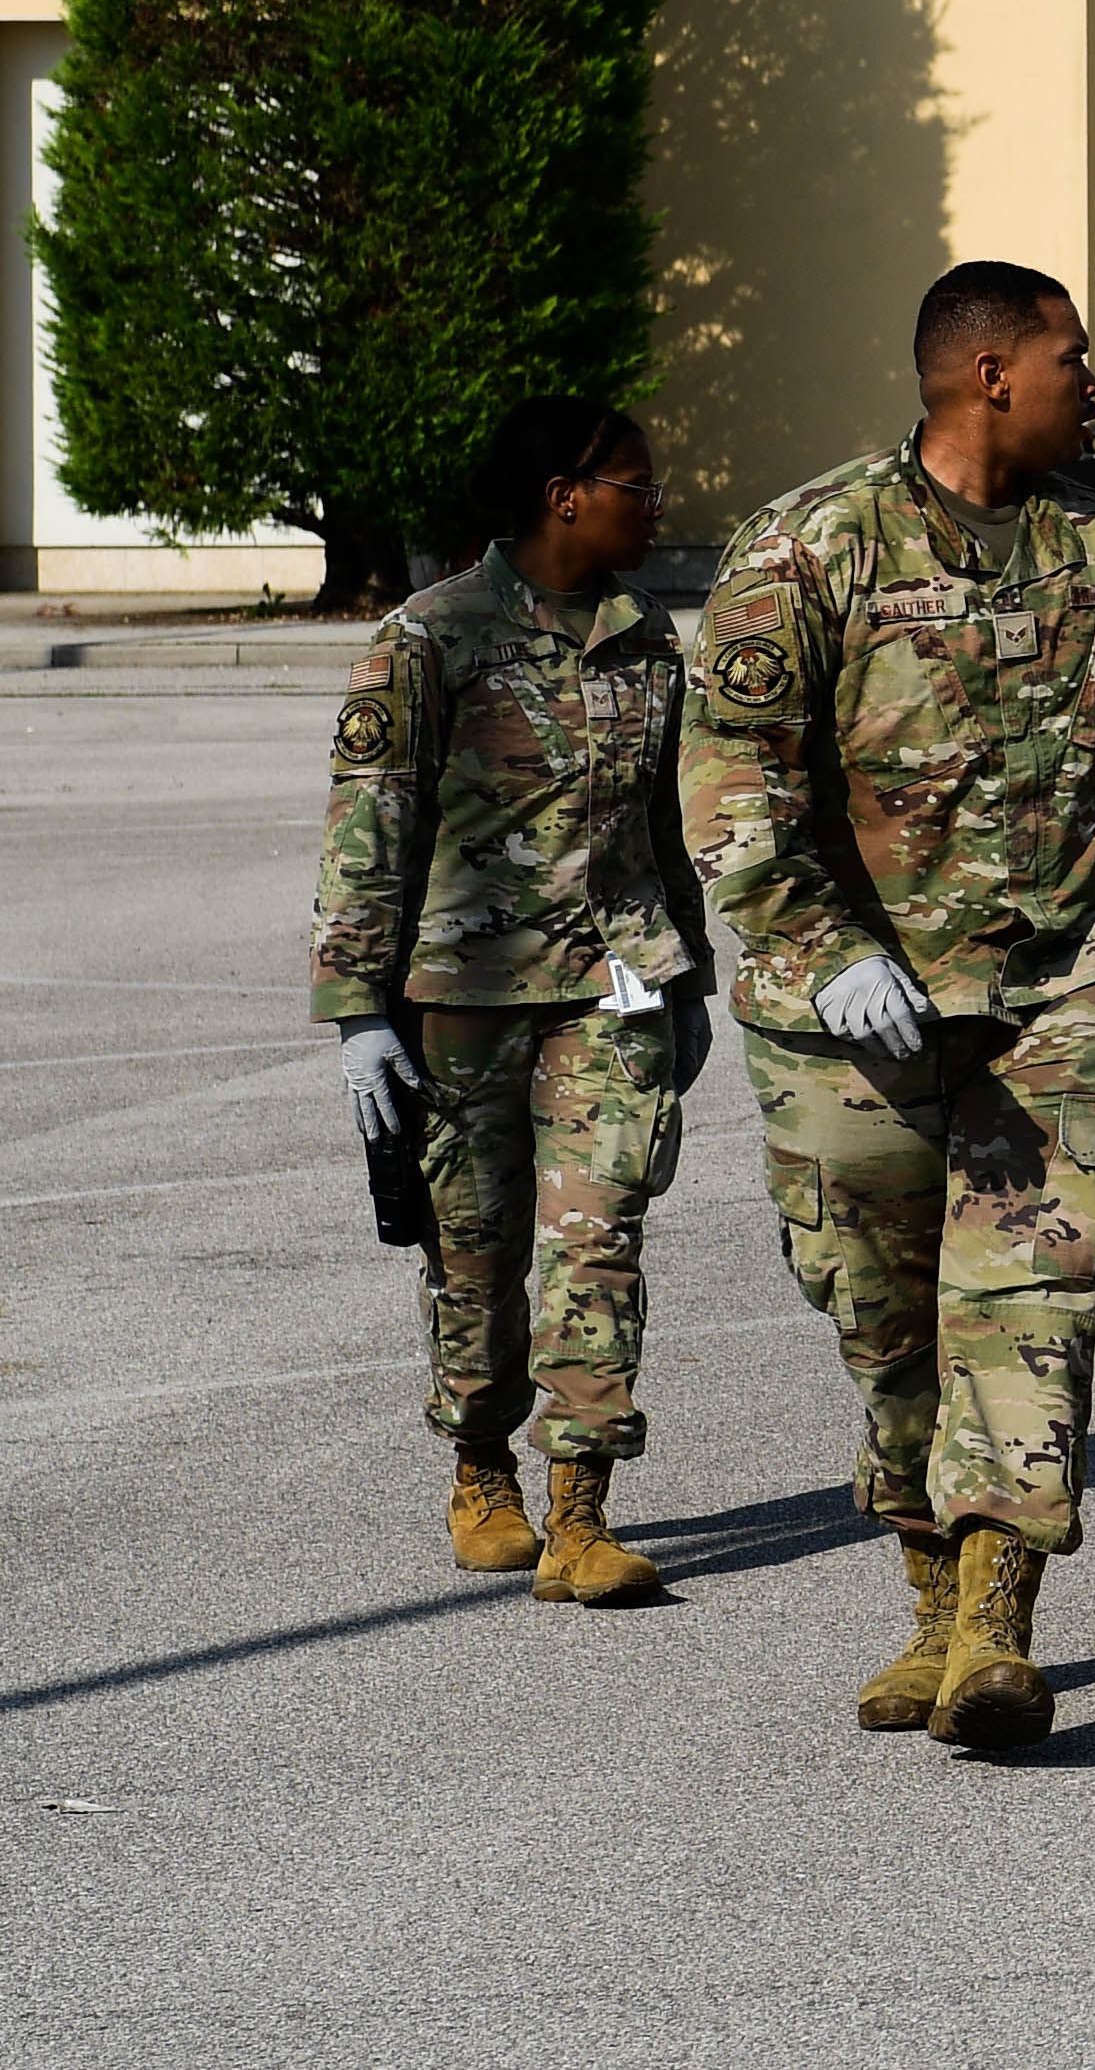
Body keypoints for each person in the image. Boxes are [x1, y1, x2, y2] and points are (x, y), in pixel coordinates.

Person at [683, 262, 1095, 1750]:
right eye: (1068, 357)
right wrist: (828, 949)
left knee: (1028, 1299)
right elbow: (732, 783)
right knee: (890, 1318)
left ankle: (994, 1629)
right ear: (986, 376)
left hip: (1062, 990)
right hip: (854, 1011)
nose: (1091, 381)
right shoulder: (811, 547)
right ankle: (927, 1594)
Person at [314, 395, 710, 1606]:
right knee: (472, 1251)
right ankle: (481, 1467)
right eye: (635, 485)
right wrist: (357, 1007)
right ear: (563, 495)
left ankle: (581, 1509)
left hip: (616, 985)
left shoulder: (651, 639)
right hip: (462, 988)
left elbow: (665, 824)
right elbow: (370, 820)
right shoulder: (429, 636)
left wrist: (689, 972)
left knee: (600, 1239)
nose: (654, 505)